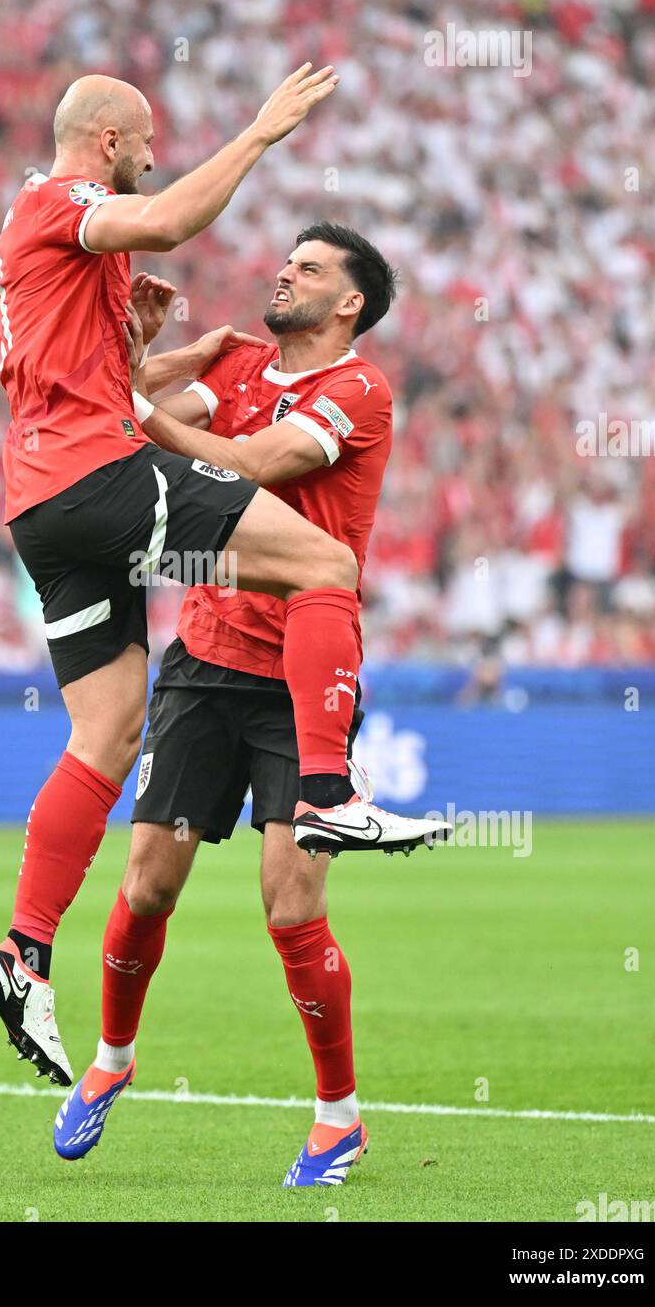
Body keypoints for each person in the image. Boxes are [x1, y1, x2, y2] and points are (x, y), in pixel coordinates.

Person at [0, 66, 438, 1088]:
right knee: (324, 562)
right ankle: (328, 792)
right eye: (143, 144)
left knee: (103, 732)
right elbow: (173, 221)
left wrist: (145, 345)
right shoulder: (66, 199)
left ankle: (23, 952)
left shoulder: (60, 245)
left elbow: (109, 381)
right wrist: (260, 131)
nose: (152, 157)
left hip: (43, 502)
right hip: (94, 480)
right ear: (106, 142)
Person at [52, 223, 448, 1184]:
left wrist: (152, 422)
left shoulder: (358, 389)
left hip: (302, 685)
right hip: (205, 661)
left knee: (288, 905)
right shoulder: (235, 366)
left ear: (349, 302)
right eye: (285, 261)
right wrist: (136, 352)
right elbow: (117, 408)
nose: (284, 273)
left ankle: (337, 1117)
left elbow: (257, 466)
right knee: (147, 882)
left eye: (309, 269)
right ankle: (111, 1062)